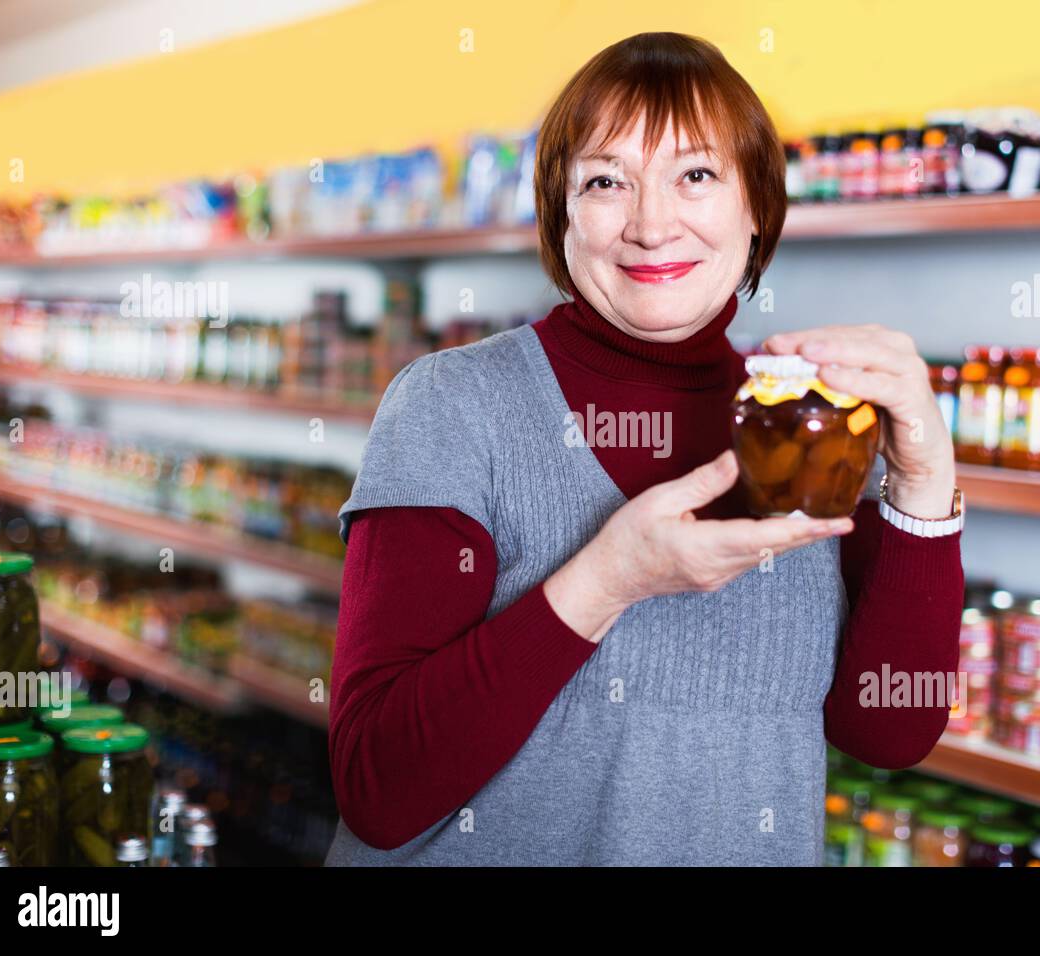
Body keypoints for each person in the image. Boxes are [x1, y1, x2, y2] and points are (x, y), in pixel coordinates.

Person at [326, 31, 963, 866]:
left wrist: (924, 478)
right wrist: (604, 582)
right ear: (562, 214)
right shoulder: (452, 404)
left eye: (695, 175)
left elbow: (888, 731)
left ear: (758, 206)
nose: (651, 224)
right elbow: (376, 787)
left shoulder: (809, 422)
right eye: (604, 181)